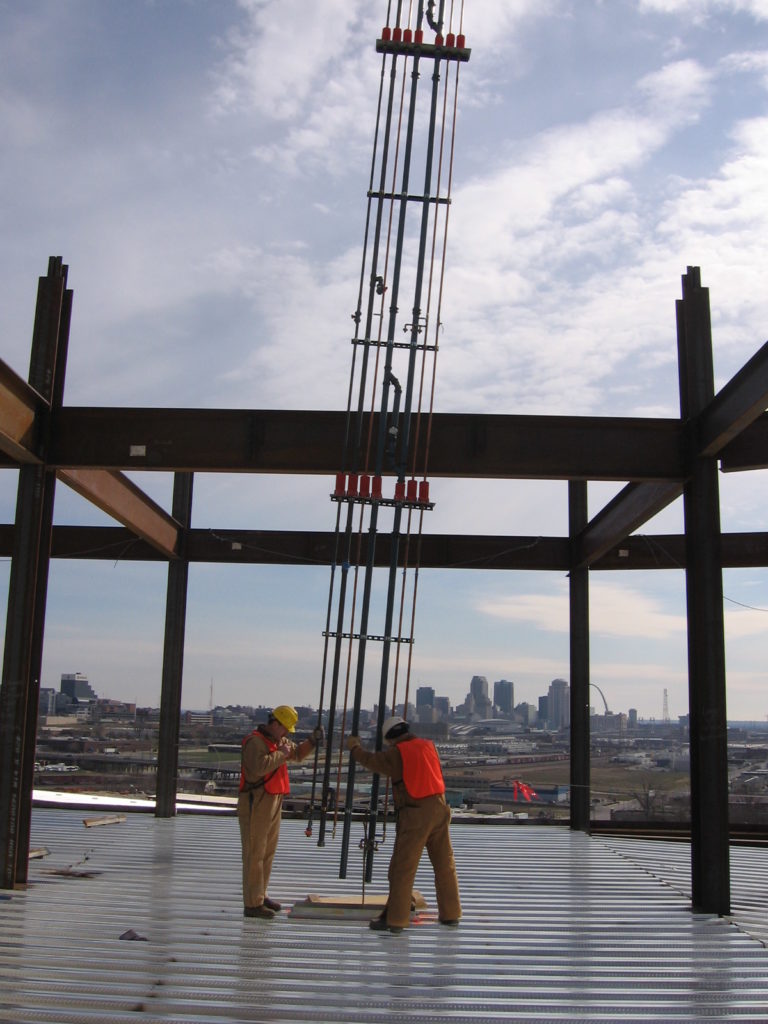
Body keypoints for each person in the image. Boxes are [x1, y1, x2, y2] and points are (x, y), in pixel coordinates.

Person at [346, 716, 461, 933]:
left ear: (390, 738)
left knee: (402, 869)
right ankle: (451, 913)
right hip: (440, 808)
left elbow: (372, 761)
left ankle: (396, 920)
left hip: (416, 813)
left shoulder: (397, 753)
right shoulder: (429, 746)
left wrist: (354, 748)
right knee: (445, 864)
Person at [238, 704, 323, 919]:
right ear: (274, 724)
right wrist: (280, 755)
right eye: (284, 728)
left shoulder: (278, 742)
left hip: (273, 799)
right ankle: (252, 904)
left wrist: (312, 742)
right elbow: (258, 768)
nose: (286, 733)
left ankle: (261, 895)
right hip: (256, 800)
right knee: (254, 853)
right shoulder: (255, 742)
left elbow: (296, 755)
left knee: (267, 852)